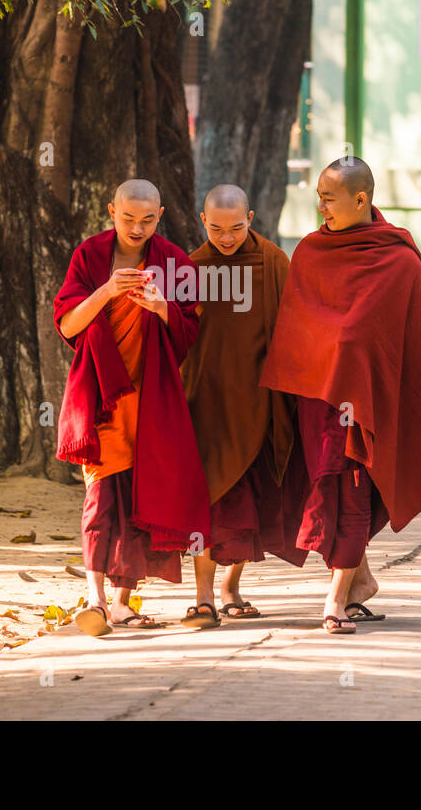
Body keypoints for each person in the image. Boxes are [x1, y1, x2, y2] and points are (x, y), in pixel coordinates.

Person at [260, 157, 421, 634]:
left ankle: (333, 600)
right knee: (325, 485)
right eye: (319, 198)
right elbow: (298, 327)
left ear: (361, 199)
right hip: (316, 395)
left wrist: (352, 356)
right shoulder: (310, 251)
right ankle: (360, 580)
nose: (321, 207)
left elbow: (406, 344)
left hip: (365, 401)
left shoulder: (398, 258)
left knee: (348, 488)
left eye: (329, 199)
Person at [53, 178, 211, 636]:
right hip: (102, 396)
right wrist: (105, 292)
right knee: (101, 497)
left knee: (143, 497)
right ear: (111, 212)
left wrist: (162, 306)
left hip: (153, 399)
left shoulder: (175, 262)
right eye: (127, 218)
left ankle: (121, 603)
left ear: (159, 216)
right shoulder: (89, 256)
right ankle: (94, 599)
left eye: (146, 219)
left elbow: (188, 335)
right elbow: (68, 324)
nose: (136, 228)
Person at [179, 184, 306, 629]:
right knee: (210, 499)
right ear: (202, 220)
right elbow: (179, 339)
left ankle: (231, 587)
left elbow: (295, 328)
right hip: (206, 403)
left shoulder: (273, 263)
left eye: (235, 228)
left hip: (259, 401)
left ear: (250, 218)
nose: (226, 238)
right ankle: (202, 597)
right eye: (216, 229)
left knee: (250, 501)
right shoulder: (191, 268)